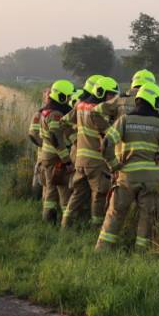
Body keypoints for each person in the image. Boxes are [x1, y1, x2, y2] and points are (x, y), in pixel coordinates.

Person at [96, 83, 159, 250]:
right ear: (154, 102)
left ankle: (102, 250)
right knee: (147, 216)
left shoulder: (125, 121)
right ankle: (141, 252)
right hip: (151, 179)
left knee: (116, 213)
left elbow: (106, 144)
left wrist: (115, 166)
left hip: (127, 178)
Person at [61, 75, 120, 230]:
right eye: (111, 95)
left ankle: (65, 226)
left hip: (80, 161)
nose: (112, 98)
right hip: (97, 162)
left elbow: (64, 122)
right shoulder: (97, 111)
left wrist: (75, 140)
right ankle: (95, 229)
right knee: (99, 196)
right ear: (101, 93)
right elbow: (110, 136)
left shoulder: (80, 106)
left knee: (77, 194)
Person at [33, 80, 75, 223]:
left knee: (50, 189)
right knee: (64, 189)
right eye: (68, 97)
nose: (69, 100)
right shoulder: (56, 114)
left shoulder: (46, 111)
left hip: (47, 156)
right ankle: (67, 223)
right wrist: (67, 161)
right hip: (56, 158)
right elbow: (57, 140)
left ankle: (48, 221)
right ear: (61, 97)